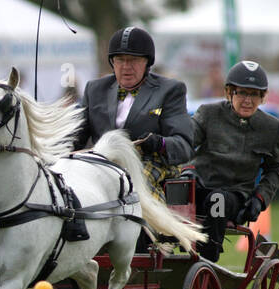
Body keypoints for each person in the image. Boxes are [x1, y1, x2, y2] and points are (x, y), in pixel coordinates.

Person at [182, 60, 279, 262]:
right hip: (199, 187)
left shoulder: (270, 127)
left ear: (262, 97)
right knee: (175, 187)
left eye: (254, 94)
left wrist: (260, 199)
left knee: (217, 199)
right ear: (230, 93)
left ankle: (208, 257)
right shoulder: (208, 114)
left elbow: (274, 169)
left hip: (234, 197)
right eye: (242, 93)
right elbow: (185, 142)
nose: (248, 100)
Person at [71, 27, 193, 190]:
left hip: (147, 167)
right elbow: (75, 135)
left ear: (147, 62)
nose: (126, 67)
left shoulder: (170, 90)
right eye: (120, 60)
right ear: (112, 62)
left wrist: (159, 143)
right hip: (101, 165)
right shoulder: (94, 89)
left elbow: (183, 145)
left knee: (129, 186)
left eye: (133, 60)